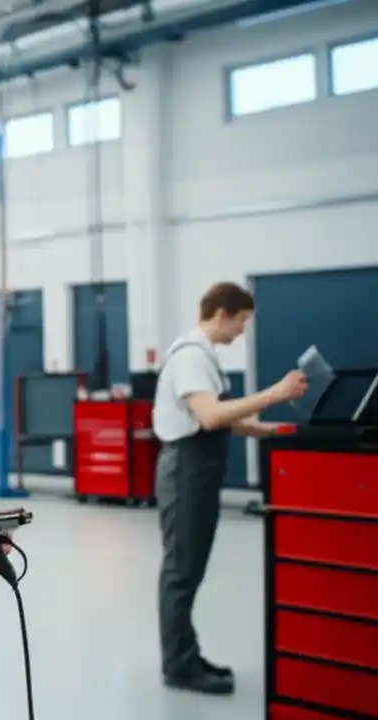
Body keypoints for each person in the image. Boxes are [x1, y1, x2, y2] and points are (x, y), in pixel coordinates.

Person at [152, 281, 308, 694]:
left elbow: (220, 415)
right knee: (181, 572)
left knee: (189, 568)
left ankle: (186, 653)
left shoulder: (202, 355)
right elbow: (209, 416)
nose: (241, 332)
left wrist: (266, 429)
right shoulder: (190, 357)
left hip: (196, 471)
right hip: (186, 472)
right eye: (241, 322)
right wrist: (275, 394)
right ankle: (179, 666)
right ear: (222, 314)